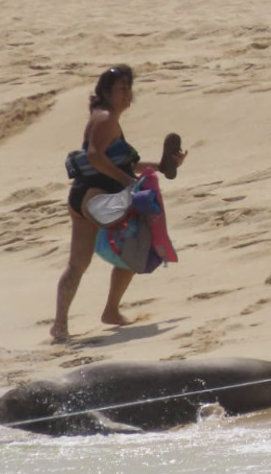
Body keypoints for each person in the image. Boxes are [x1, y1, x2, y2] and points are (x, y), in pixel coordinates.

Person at [51, 65, 185, 340]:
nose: (127, 94)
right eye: (121, 89)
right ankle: (110, 310)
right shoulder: (105, 118)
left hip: (83, 197)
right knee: (137, 244)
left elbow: (123, 163)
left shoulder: (104, 118)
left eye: (129, 88)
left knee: (78, 264)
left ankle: (60, 325)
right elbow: (95, 156)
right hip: (98, 197)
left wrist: (161, 166)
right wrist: (126, 181)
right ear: (105, 92)